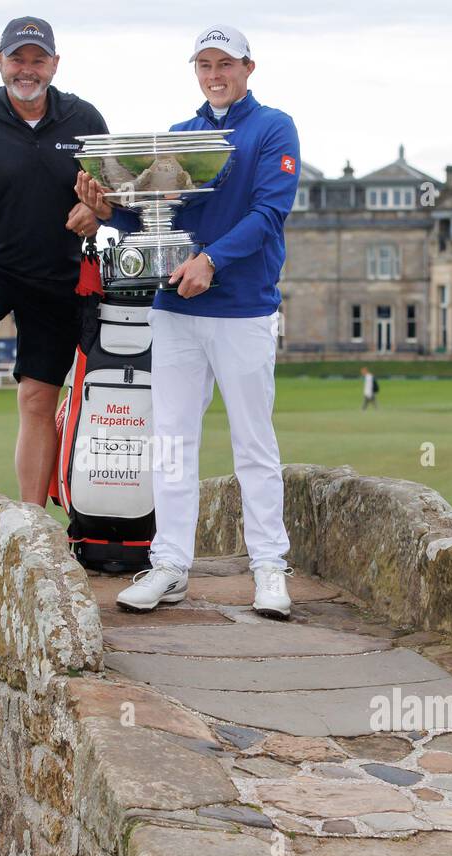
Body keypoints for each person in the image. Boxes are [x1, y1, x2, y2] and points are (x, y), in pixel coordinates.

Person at [75, 24, 298, 619]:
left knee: (253, 442)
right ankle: (170, 564)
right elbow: (155, 226)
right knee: (171, 442)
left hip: (243, 308)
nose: (214, 74)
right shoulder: (178, 138)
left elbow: (269, 213)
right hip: (174, 308)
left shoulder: (273, 127)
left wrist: (212, 260)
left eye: (224, 63)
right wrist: (108, 213)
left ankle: (270, 569)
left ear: (249, 67)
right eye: (204, 64)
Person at [0, 17, 110, 502]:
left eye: (37, 59)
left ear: (54, 64)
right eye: (17, 59)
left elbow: (112, 196)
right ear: (0, 62)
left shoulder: (85, 120)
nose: (26, 70)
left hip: (58, 274)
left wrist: (95, 210)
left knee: (37, 397)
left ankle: (32, 524)